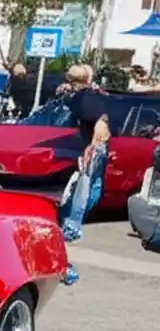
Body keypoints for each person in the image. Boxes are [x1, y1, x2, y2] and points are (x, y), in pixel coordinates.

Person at [59, 64, 111, 241]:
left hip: (94, 144)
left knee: (85, 185)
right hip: (99, 144)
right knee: (94, 185)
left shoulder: (85, 98)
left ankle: (71, 226)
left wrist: (92, 146)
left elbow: (100, 121)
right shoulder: (91, 96)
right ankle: (72, 221)